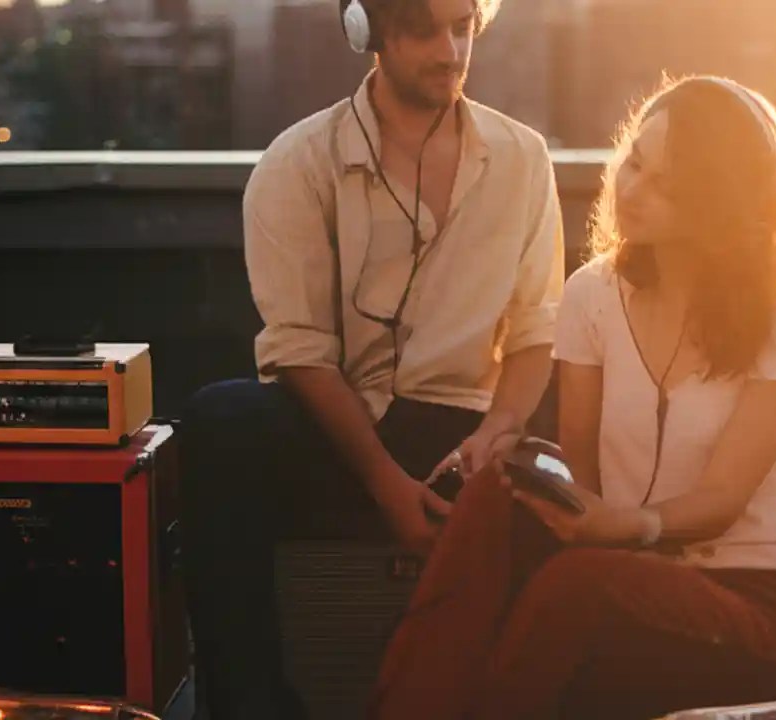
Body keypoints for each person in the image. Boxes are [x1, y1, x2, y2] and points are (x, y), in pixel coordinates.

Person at [369, 74, 776, 719]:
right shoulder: (593, 294)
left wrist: (624, 526)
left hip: (755, 607)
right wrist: (528, 471)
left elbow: (721, 503)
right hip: (626, 568)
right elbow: (586, 479)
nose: (631, 189)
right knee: (497, 490)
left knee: (580, 586)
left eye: (664, 184)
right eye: (633, 161)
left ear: (717, 206)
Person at [176, 0, 564, 717]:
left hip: (463, 426)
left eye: (463, 26)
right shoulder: (297, 161)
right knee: (217, 420)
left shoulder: (522, 158)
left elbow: (538, 327)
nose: (450, 51)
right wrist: (385, 482)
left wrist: (499, 432)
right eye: (424, 31)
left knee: (561, 465)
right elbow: (299, 351)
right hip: (337, 419)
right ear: (369, 31)